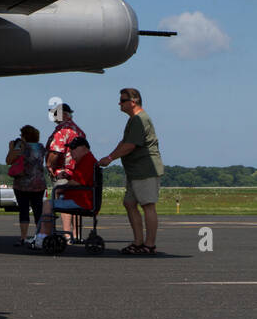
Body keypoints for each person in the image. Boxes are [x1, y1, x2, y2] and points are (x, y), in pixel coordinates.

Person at [99, 88, 164, 255]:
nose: (119, 103)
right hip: (135, 170)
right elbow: (124, 141)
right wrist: (110, 156)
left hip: (145, 170)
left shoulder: (140, 119)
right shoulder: (133, 120)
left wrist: (110, 158)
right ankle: (138, 242)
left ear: (133, 102)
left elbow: (130, 145)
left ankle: (149, 245)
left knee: (148, 205)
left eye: (122, 100)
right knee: (129, 203)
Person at [28, 137, 97, 248]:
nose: (70, 151)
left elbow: (77, 182)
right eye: (70, 148)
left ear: (83, 148)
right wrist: (68, 176)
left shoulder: (87, 161)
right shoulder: (85, 161)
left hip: (81, 201)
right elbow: (81, 180)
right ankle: (41, 235)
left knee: (47, 204)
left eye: (73, 148)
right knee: (50, 203)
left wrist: (62, 187)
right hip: (81, 198)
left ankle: (42, 237)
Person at [45, 103, 86, 240]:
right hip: (77, 173)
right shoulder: (79, 131)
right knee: (75, 204)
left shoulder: (62, 130)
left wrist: (49, 165)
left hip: (63, 172)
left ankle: (67, 234)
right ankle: (77, 234)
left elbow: (56, 152)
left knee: (63, 205)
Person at [6, 125, 46, 245]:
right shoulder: (41, 147)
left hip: (22, 183)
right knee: (38, 210)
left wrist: (11, 148)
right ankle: (40, 236)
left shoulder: (21, 147)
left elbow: (9, 160)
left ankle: (23, 237)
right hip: (38, 183)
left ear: (24, 136)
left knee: (23, 210)